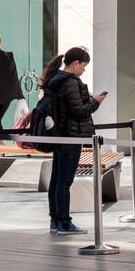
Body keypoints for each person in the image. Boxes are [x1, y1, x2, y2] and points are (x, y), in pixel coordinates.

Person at [40, 47, 105, 234]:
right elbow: (79, 111)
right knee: (64, 181)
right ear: (75, 63)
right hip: (71, 136)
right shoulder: (70, 82)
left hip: (59, 136)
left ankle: (55, 221)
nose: (84, 70)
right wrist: (96, 102)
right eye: (83, 66)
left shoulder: (55, 79)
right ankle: (64, 223)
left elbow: (69, 106)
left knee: (56, 180)